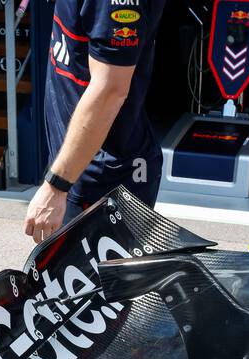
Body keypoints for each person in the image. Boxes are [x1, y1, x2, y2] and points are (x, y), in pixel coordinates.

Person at [25, 0, 166, 241]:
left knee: (104, 279)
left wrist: (56, 186)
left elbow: (110, 91)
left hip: (102, 180)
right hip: (79, 171)